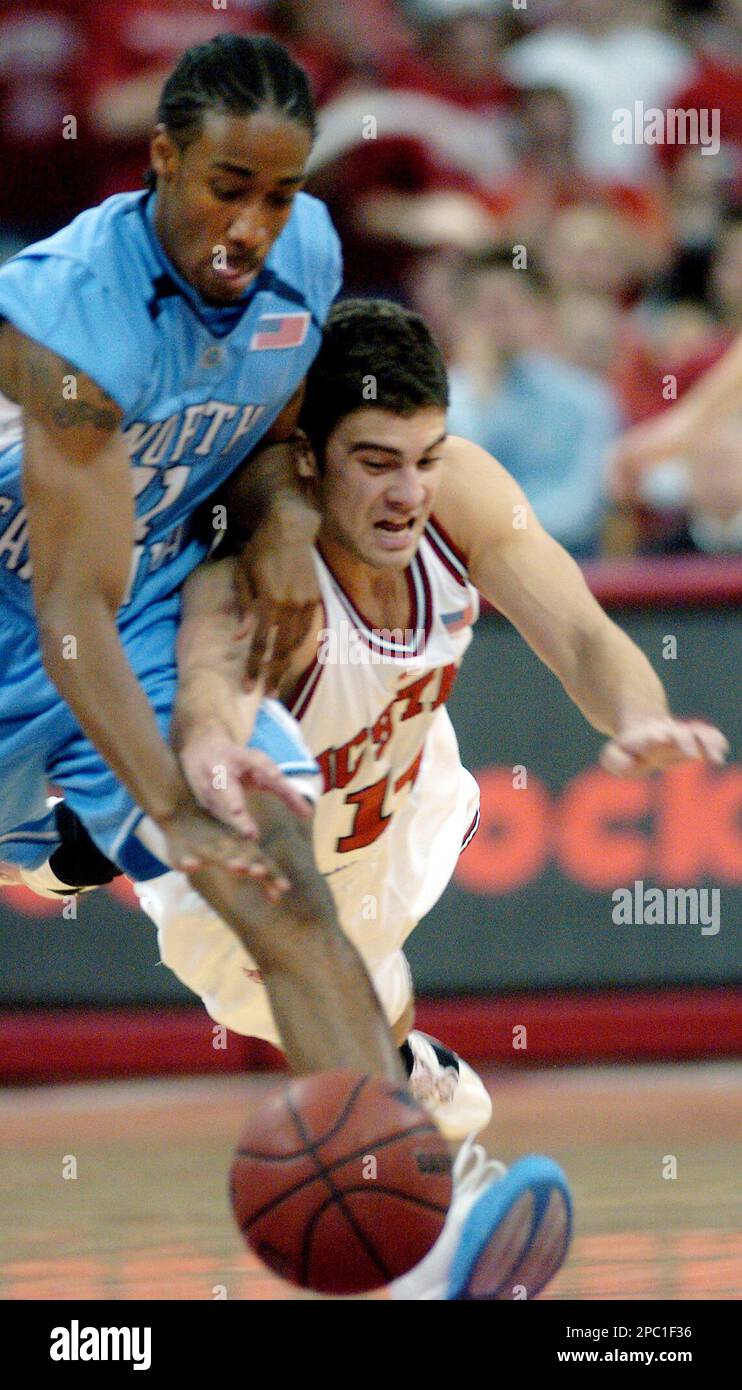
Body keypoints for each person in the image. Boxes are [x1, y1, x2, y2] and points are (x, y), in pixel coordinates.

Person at [16, 300, 728, 1298]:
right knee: (306, 972)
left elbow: (576, 631)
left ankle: (398, 1082)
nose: (408, 491)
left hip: (406, 798)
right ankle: (425, 1230)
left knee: (369, 940)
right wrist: (215, 740)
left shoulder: (459, 490)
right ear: (306, 457)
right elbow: (212, 679)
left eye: (424, 456)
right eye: (376, 462)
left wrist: (636, 716)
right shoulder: (259, 578)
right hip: (265, 848)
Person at [0, 33, 407, 1084]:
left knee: (274, 871)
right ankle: (76, 839)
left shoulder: (306, 256)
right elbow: (68, 610)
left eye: (279, 194)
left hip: (134, 615)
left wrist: (279, 520)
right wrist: (174, 814)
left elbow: (264, 448)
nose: (252, 226)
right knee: (199, 830)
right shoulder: (75, 325)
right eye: (229, 188)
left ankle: (402, 1194)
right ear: (164, 157)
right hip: (56, 608)